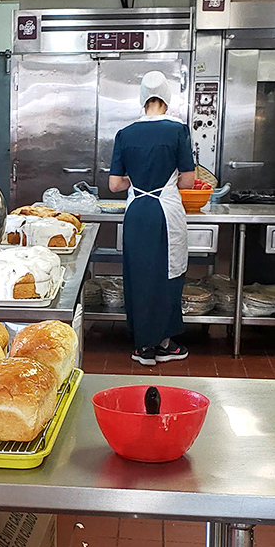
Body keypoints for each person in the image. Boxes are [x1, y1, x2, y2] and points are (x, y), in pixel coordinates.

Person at [108, 71, 195, 366]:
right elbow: (188, 182)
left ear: (142, 99)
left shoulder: (125, 134)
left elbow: (115, 185)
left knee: (139, 276)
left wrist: (137, 180)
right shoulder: (178, 131)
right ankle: (165, 343)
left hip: (136, 212)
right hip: (165, 211)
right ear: (166, 99)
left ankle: (143, 346)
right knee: (168, 275)